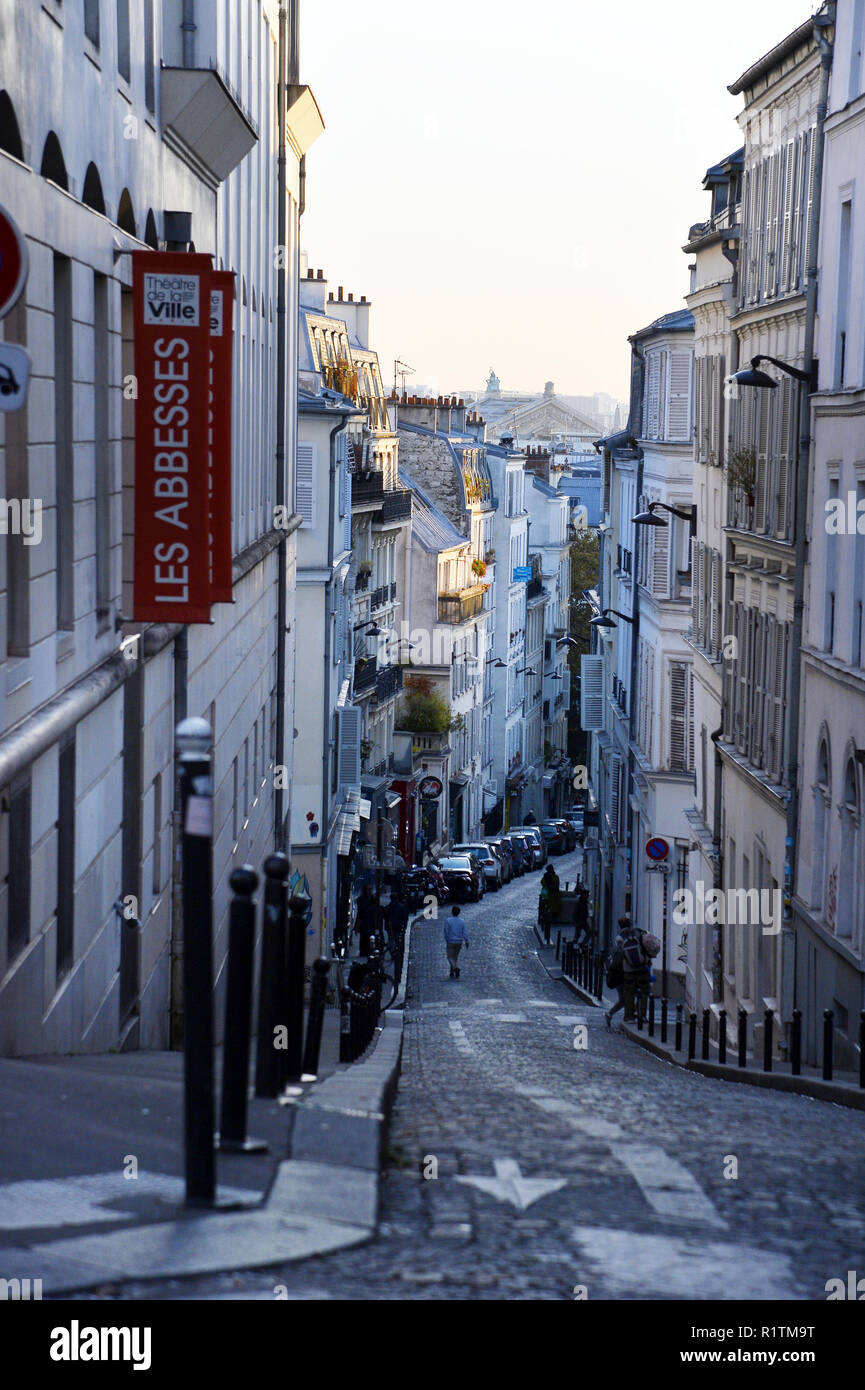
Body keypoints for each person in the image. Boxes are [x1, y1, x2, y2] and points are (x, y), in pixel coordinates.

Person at [606, 914, 650, 1024]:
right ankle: (642, 1016)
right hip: (642, 968)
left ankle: (629, 1017)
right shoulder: (639, 933)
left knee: (629, 994)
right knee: (644, 992)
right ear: (630, 924)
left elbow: (620, 956)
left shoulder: (619, 938)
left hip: (629, 970)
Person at [444, 905, 470, 979]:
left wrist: (447, 939)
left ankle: (455, 968)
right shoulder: (462, 921)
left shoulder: (448, 920)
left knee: (449, 957)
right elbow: (464, 932)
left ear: (452, 912)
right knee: (455, 957)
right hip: (459, 941)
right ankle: (451, 973)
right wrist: (466, 941)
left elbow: (446, 931)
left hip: (451, 941)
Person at [353, 883, 378, 956]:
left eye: (370, 889)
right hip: (364, 922)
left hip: (371, 922)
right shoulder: (361, 899)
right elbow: (360, 913)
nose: (370, 891)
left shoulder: (373, 899)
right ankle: (364, 952)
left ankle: (369, 951)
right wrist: (357, 926)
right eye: (368, 889)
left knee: (370, 938)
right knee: (364, 939)